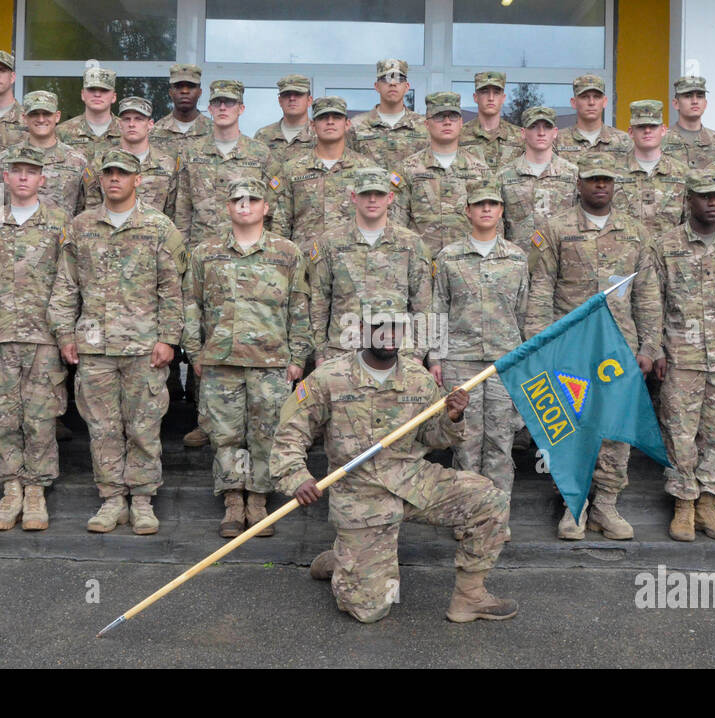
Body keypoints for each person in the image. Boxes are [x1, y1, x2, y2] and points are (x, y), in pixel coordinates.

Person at [270, 317, 516, 624]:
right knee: (371, 609)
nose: (389, 335)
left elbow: (433, 437)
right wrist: (297, 476)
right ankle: (345, 559)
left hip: (411, 480)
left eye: (396, 328)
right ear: (363, 331)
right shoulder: (330, 377)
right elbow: (290, 433)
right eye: (379, 327)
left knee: (489, 499)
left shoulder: (419, 379)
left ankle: (470, 597)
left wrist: (452, 418)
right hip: (361, 493)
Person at [48, 149, 185, 535]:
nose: (114, 179)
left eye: (122, 173)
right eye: (108, 173)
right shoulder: (80, 226)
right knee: (102, 427)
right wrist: (64, 333)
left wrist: (168, 338)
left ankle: (142, 500)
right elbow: (66, 285)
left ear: (137, 179)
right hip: (95, 347)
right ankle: (111, 499)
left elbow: (172, 290)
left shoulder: (159, 227)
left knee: (143, 427)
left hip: (144, 348)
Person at [526, 153, 662, 541]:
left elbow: (648, 295)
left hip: (619, 348)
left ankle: (606, 505)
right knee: (569, 427)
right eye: (592, 180)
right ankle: (575, 506)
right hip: (571, 348)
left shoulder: (636, 233)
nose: (600, 186)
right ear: (579, 184)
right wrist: (539, 345)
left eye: (606, 180)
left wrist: (649, 348)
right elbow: (540, 292)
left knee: (615, 430)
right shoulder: (555, 229)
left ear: (614, 185)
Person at [184, 178, 311, 538]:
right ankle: (233, 499)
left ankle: (257, 498)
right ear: (227, 207)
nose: (245, 205)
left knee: (266, 433)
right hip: (220, 362)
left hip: (270, 362)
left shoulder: (287, 253)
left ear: (265, 208)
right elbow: (191, 305)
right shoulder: (205, 253)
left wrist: (298, 356)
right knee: (225, 434)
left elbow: (299, 308)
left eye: (253, 199)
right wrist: (195, 352)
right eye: (237, 199)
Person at [650, 168, 715, 541]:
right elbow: (653, 302)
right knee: (679, 432)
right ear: (688, 200)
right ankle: (683, 503)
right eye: (704, 196)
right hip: (681, 356)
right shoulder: (666, 246)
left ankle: (709, 502)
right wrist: (656, 348)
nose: (713, 203)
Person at [0, 146, 72, 531]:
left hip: (43, 336)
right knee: (3, 415)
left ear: (42, 179)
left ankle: (36, 491)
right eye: (16, 171)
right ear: (6, 178)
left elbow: (70, 281)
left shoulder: (61, 222)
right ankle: (11, 486)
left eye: (31, 172)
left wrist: (66, 332)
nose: (23, 178)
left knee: (41, 416)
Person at [428, 179, 528, 501]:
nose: (487, 209)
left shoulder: (517, 257)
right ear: (468, 211)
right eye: (480, 204)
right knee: (466, 442)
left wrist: (524, 357)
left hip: (504, 360)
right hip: (461, 361)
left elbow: (523, 311)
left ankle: (497, 515)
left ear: (501, 211)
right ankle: (470, 514)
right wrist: (435, 357)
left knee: (501, 440)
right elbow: (438, 307)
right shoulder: (448, 257)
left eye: (493, 204)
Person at [307, 167, 432, 364]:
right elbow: (319, 302)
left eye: (379, 194)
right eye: (366, 194)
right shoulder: (330, 242)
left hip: (396, 353)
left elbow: (422, 304)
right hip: (343, 351)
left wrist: (417, 354)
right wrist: (320, 352)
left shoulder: (411, 243)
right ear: (354, 197)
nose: (372, 200)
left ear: (390, 197)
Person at [172, 79, 273, 246]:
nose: (223, 108)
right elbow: (183, 208)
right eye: (217, 102)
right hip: (202, 250)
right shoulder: (191, 152)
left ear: (241, 109)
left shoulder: (260, 153)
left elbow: (271, 208)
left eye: (230, 102)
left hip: (247, 251)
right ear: (210, 109)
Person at [392, 92, 491, 255]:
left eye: (452, 116)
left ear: (461, 123)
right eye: (439, 117)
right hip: (421, 262)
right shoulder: (408, 168)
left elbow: (492, 224)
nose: (447, 122)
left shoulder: (480, 170)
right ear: (426, 124)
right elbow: (396, 222)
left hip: (466, 265)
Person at [270, 96, 378, 243]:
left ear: (347, 124)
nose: (330, 122)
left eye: (337, 117)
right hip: (306, 261)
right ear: (313, 126)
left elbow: (377, 220)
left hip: (352, 260)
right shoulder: (293, 169)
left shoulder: (367, 169)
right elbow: (280, 224)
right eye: (323, 117)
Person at [497, 106, 578, 271]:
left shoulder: (572, 175)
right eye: (534, 127)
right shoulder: (504, 176)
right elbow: (497, 226)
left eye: (547, 127)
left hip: (562, 267)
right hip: (517, 267)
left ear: (555, 132)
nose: (541, 133)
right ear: (523, 132)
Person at [0, 90, 91, 217]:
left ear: (57, 116)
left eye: (47, 113)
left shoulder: (78, 162)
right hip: (14, 235)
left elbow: (87, 213)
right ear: (24, 118)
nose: (41, 119)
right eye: (34, 114)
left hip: (63, 235)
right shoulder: (4, 160)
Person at [84, 97, 177, 216]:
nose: (132, 124)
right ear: (119, 124)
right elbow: (91, 212)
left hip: (154, 232)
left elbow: (172, 213)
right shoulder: (100, 164)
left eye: (139, 119)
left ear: (150, 124)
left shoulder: (167, 164)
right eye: (126, 119)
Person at [613, 99, 687, 241]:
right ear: (631, 132)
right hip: (625, 256)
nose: (647, 131)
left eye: (653, 126)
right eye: (641, 126)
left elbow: (689, 221)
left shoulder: (681, 173)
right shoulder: (614, 172)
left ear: (663, 130)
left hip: (667, 256)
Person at [349, 59, 428, 170]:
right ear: (377, 86)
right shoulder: (356, 125)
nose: (392, 83)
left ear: (407, 87)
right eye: (386, 79)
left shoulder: (424, 126)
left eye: (399, 79)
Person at [553, 74, 631, 163]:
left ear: (605, 102)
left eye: (596, 97)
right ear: (574, 102)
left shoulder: (623, 140)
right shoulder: (557, 141)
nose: (591, 102)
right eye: (584, 97)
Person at [458, 71, 524, 171]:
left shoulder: (520, 137)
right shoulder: (459, 135)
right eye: (485, 92)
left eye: (496, 93)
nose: (491, 98)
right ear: (475, 97)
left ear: (503, 98)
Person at [661, 76, 715, 169]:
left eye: (700, 96)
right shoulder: (660, 140)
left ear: (705, 103)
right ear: (676, 103)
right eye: (688, 96)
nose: (695, 101)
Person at [55, 66, 121, 164]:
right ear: (82, 94)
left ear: (114, 97)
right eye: (92, 89)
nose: (97, 94)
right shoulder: (62, 132)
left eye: (104, 90)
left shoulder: (127, 130)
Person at [151, 64, 212, 159]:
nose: (184, 91)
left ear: (200, 92)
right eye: (179, 86)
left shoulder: (215, 132)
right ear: (170, 92)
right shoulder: (154, 133)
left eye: (191, 86)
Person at [255, 75, 316, 166]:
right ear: (280, 101)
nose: (292, 98)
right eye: (286, 95)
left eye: (298, 94)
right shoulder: (263, 135)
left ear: (309, 100)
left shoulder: (320, 134)